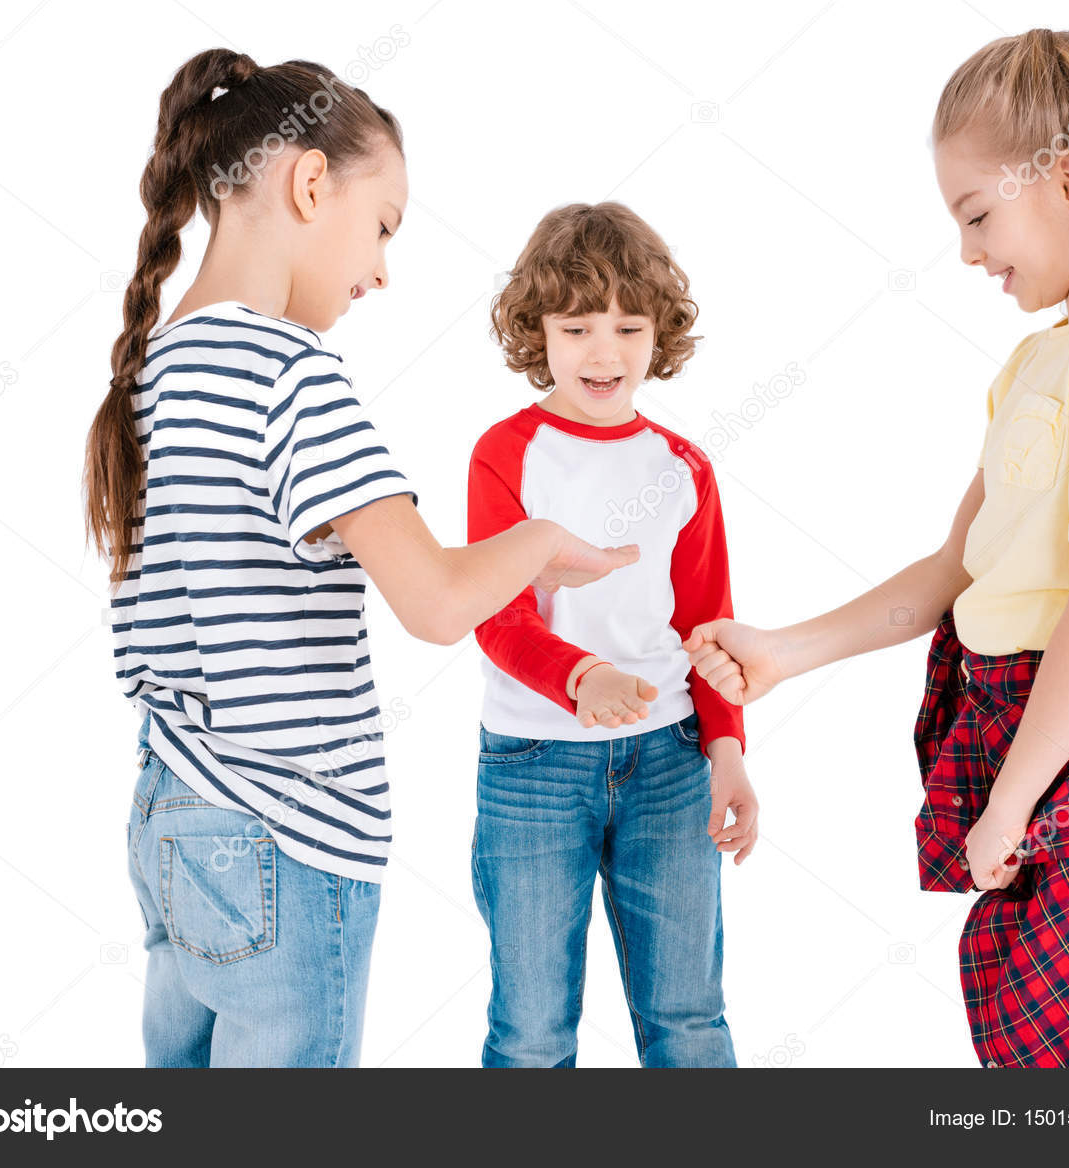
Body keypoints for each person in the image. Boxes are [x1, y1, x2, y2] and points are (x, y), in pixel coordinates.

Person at [683, 29, 1069, 1068]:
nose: (969, 251)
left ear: (1068, 179)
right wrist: (782, 651)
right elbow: (958, 569)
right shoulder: (1046, 358)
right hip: (1040, 741)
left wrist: (1013, 802)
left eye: (976, 215)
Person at [82, 50, 635, 1067]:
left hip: (171, 809)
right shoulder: (292, 376)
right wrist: (544, 540)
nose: (381, 270)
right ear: (306, 183)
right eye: (381, 227)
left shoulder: (155, 371)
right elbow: (431, 601)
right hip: (286, 832)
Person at [467, 202, 758, 1067]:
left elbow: (710, 629)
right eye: (577, 325)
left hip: (669, 763)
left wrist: (728, 750)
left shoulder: (684, 467)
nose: (605, 351)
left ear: (659, 333)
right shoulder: (505, 453)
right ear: (538, 330)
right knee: (530, 1031)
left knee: (688, 1019)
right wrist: (581, 675)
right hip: (534, 764)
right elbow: (497, 613)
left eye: (630, 326)